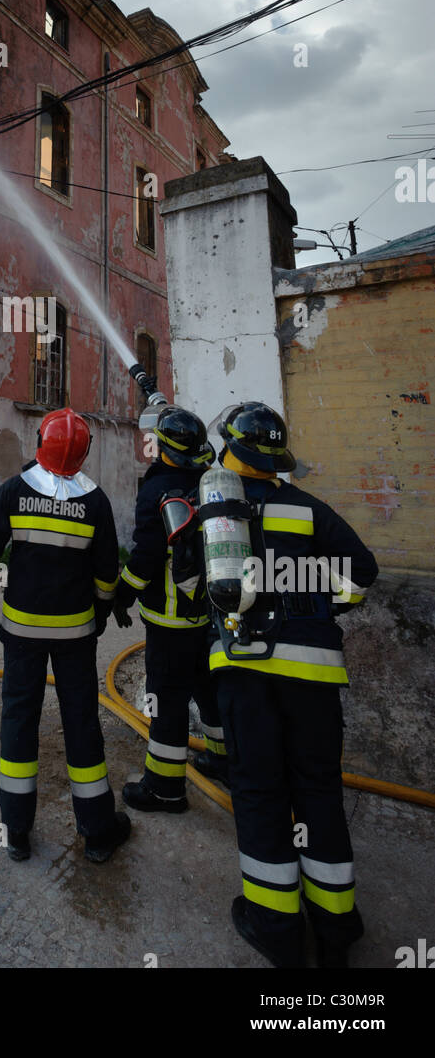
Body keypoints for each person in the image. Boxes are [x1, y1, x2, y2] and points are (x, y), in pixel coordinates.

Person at [207, 401, 379, 970]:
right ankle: (335, 930)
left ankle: (276, 928)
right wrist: (315, 601)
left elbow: (190, 585)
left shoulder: (212, 517)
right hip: (312, 674)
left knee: (258, 792)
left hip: (243, 670)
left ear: (231, 449)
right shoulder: (308, 509)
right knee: (318, 791)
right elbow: (362, 574)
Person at [0, 407, 130, 864]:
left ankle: (16, 831)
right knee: (82, 724)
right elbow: (107, 574)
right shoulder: (96, 502)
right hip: (76, 636)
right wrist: (103, 612)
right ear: (85, 452)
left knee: (18, 721)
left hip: (21, 633)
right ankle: (95, 832)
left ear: (39, 441)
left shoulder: (13, 492)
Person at [116, 405, 226, 814]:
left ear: (164, 449)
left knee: (165, 698)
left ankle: (164, 788)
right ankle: (221, 758)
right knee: (205, 685)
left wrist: (121, 596)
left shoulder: (155, 490)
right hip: (208, 612)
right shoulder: (209, 483)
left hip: (169, 617)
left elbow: (145, 559)